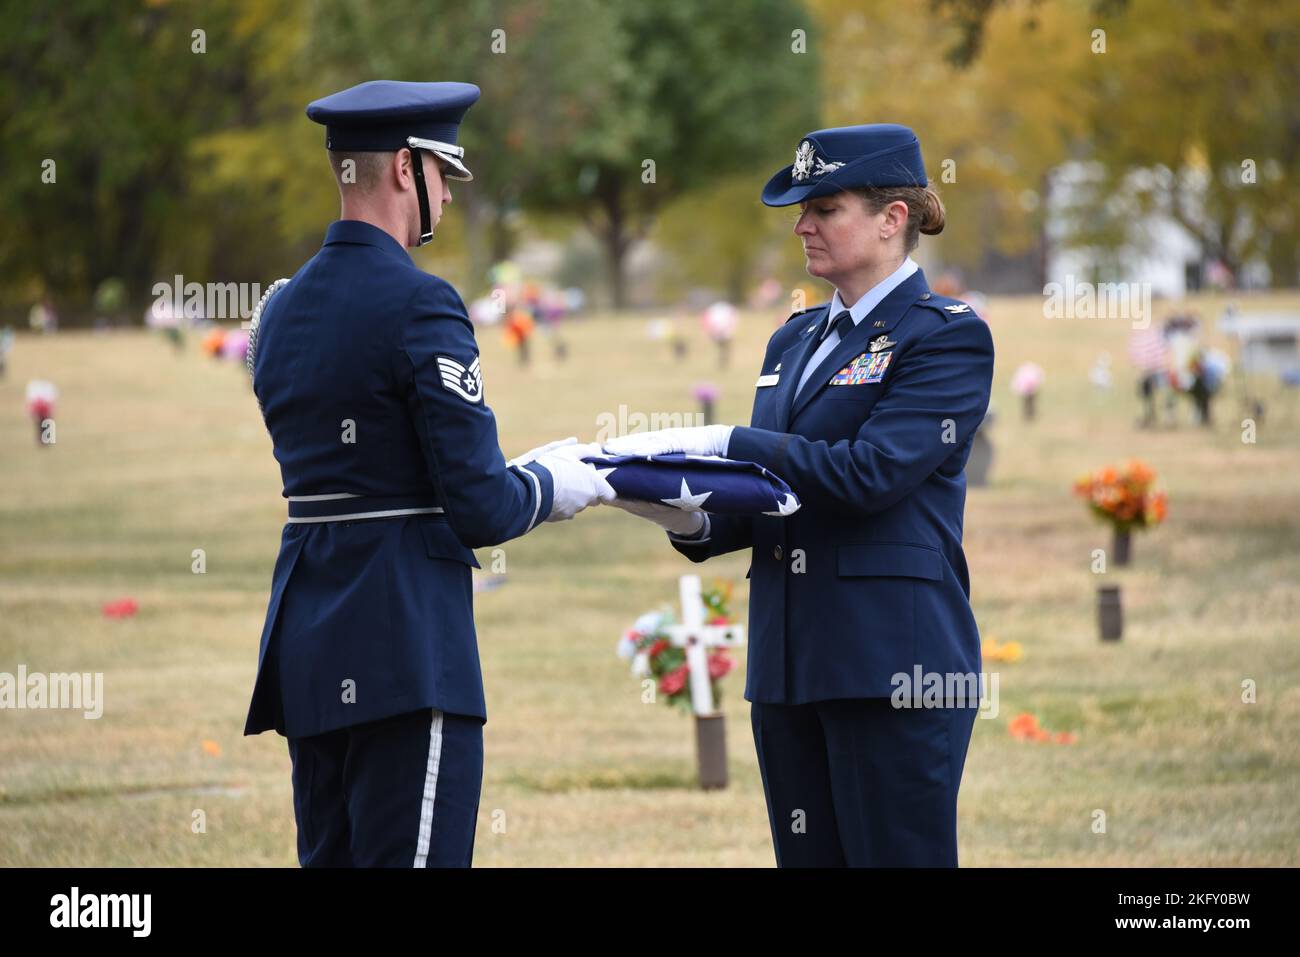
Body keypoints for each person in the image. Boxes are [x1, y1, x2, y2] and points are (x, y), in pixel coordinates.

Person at [242, 80, 612, 867]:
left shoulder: (279, 310)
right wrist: (559, 480)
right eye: (445, 172)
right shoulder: (420, 303)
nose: (446, 192)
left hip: (311, 638)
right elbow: (478, 502)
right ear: (408, 170)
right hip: (402, 643)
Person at [605, 124, 995, 866]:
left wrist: (729, 441)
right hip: (791, 665)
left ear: (893, 218)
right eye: (801, 208)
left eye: (825, 207)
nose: (802, 224)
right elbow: (774, 493)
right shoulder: (795, 338)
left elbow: (870, 472)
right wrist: (678, 508)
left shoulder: (944, 336)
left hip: (892, 667)